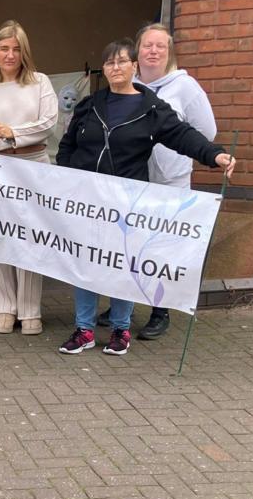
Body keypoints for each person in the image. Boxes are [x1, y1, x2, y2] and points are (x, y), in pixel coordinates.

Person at [56, 38, 235, 356]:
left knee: (121, 264)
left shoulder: (150, 108)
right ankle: (84, 330)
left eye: (122, 61)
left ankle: (120, 330)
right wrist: (70, 175)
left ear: (134, 66)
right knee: (85, 262)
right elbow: (68, 144)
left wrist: (214, 155)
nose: (115, 68)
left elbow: (183, 135)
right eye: (110, 62)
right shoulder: (91, 104)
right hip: (89, 201)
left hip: (127, 201)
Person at [96, 23, 218, 340]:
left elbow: (206, 131)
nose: (153, 51)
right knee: (127, 245)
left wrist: (176, 156)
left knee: (160, 248)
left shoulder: (185, 87)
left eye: (160, 46)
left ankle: (159, 310)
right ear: (137, 52)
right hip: (133, 179)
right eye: (147, 45)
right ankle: (120, 305)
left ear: (169, 52)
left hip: (169, 182)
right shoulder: (128, 85)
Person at [0, 20, 58, 336]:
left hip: (32, 167)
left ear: (25, 52)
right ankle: (4, 306)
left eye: (16, 49)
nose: (10, 54)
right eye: (4, 48)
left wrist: (12, 133)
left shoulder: (40, 83)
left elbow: (48, 124)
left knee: (30, 237)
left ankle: (31, 308)